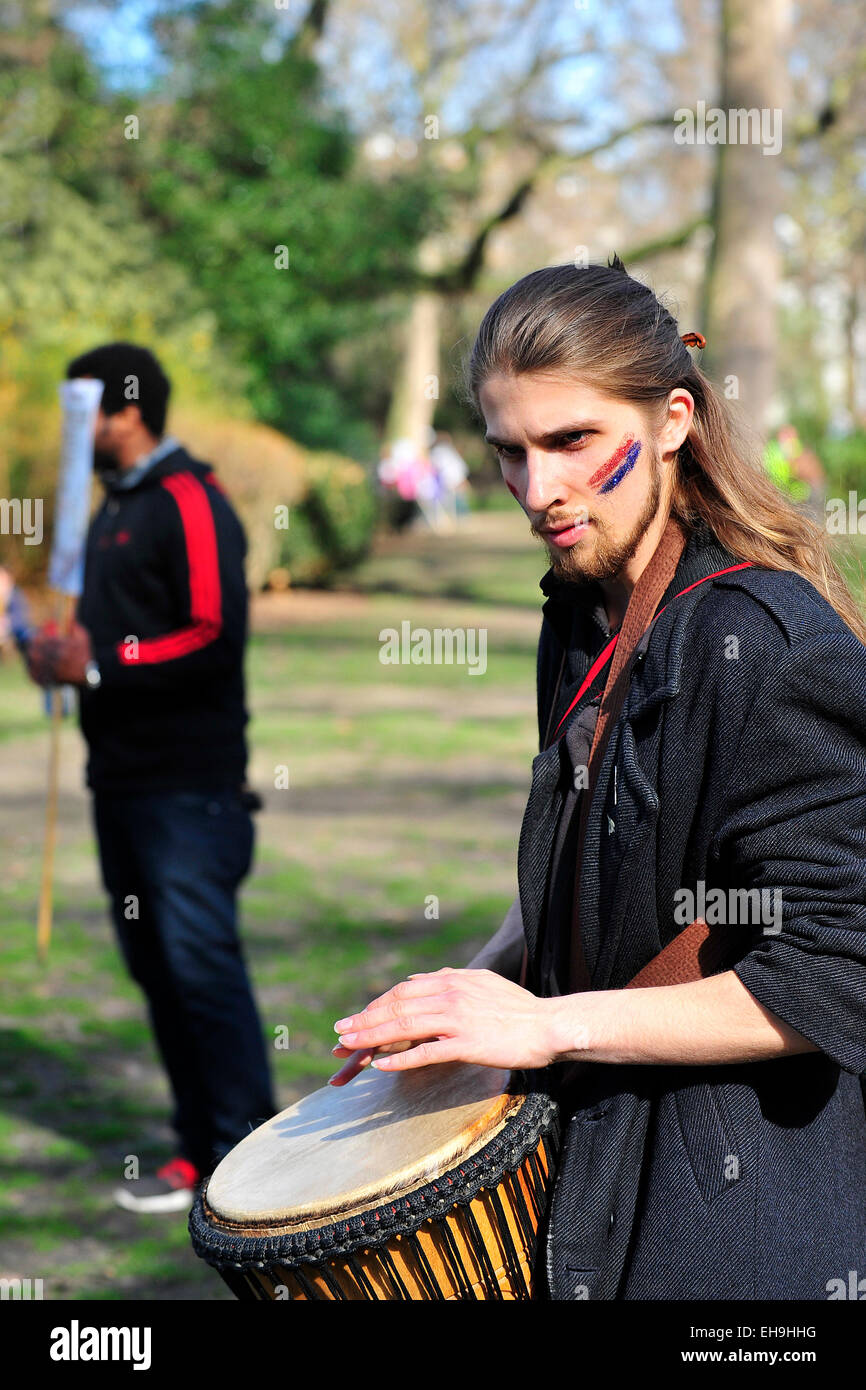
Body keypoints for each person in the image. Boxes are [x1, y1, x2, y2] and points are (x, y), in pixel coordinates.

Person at [328, 259, 866, 1300]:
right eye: (508, 453)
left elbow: (840, 976)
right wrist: (468, 991)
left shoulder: (774, 647)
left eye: (571, 442)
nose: (538, 491)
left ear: (670, 419)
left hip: (743, 1220)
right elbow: (599, 868)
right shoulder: (578, 614)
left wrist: (546, 1024)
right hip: (599, 1161)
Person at [26, 343, 277, 1214]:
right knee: (157, 966)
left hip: (189, 789)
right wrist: (54, 660)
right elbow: (94, 649)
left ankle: (246, 1159)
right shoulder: (108, 509)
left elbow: (213, 631)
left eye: (81, 410)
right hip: (118, 781)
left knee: (199, 965)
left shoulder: (189, 500)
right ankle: (197, 1148)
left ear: (127, 409)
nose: (73, 431)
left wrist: (102, 665)